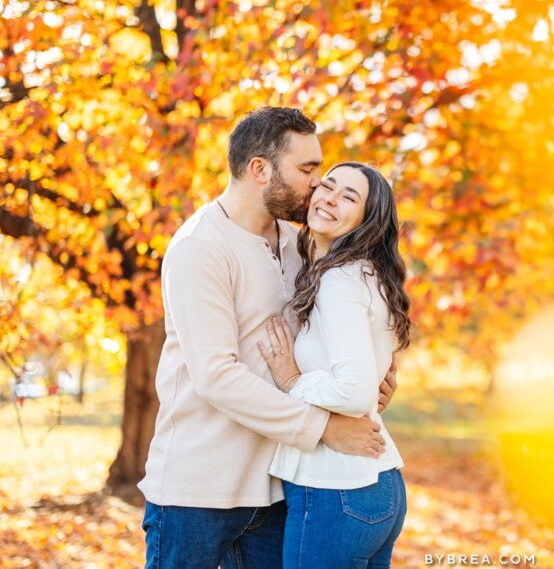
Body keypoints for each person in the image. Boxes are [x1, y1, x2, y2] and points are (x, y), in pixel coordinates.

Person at [138, 107, 397, 569]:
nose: (318, 184)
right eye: (307, 170)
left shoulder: (299, 245)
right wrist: (325, 427)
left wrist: (367, 381)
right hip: (198, 492)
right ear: (260, 169)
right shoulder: (200, 247)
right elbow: (216, 376)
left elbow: (327, 337)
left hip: (278, 486)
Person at [258, 162, 411, 569]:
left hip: (335, 492)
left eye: (349, 197)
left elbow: (354, 391)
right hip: (377, 488)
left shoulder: (339, 281)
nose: (330, 198)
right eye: (328, 185)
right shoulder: (365, 274)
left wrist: (291, 379)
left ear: (367, 220)